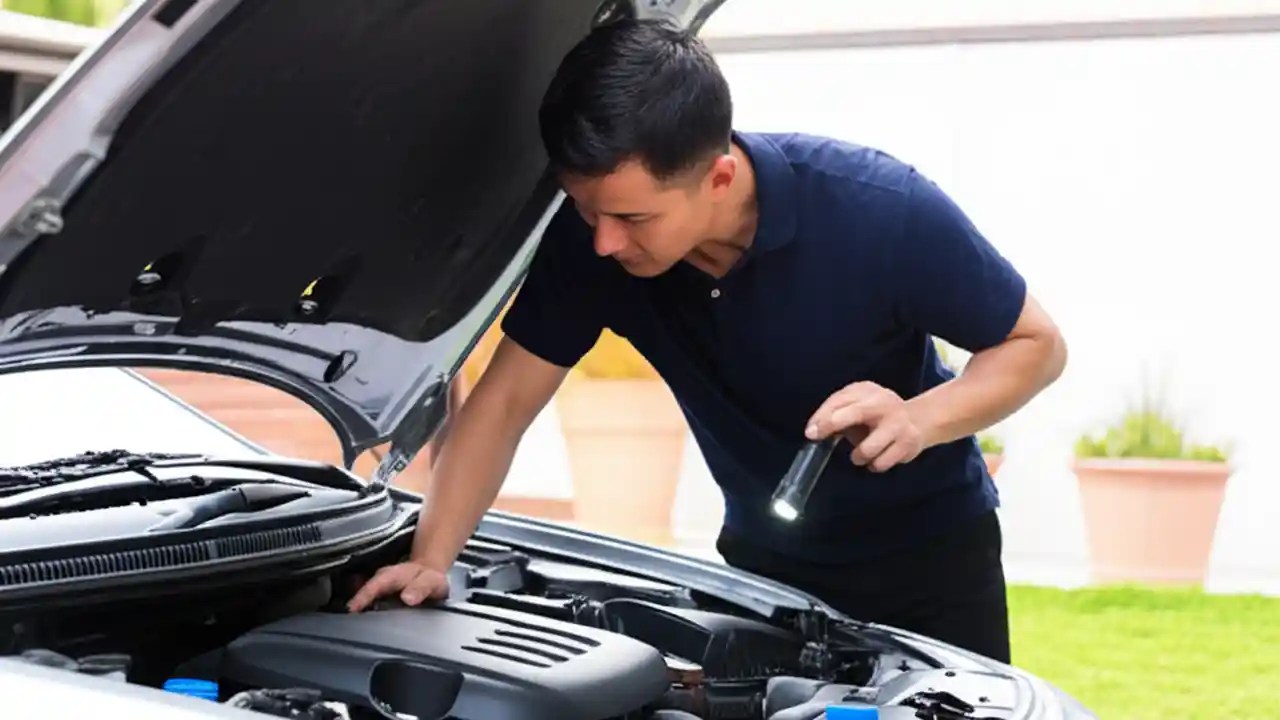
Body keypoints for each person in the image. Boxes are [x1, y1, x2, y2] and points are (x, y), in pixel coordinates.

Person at [347, 18, 1066, 664]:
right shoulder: (593, 243)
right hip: (762, 571)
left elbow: (1035, 344)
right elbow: (502, 405)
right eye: (587, 210)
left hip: (931, 562)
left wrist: (921, 417)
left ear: (718, 177)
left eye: (631, 216)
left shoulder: (880, 210)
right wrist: (433, 559)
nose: (604, 241)